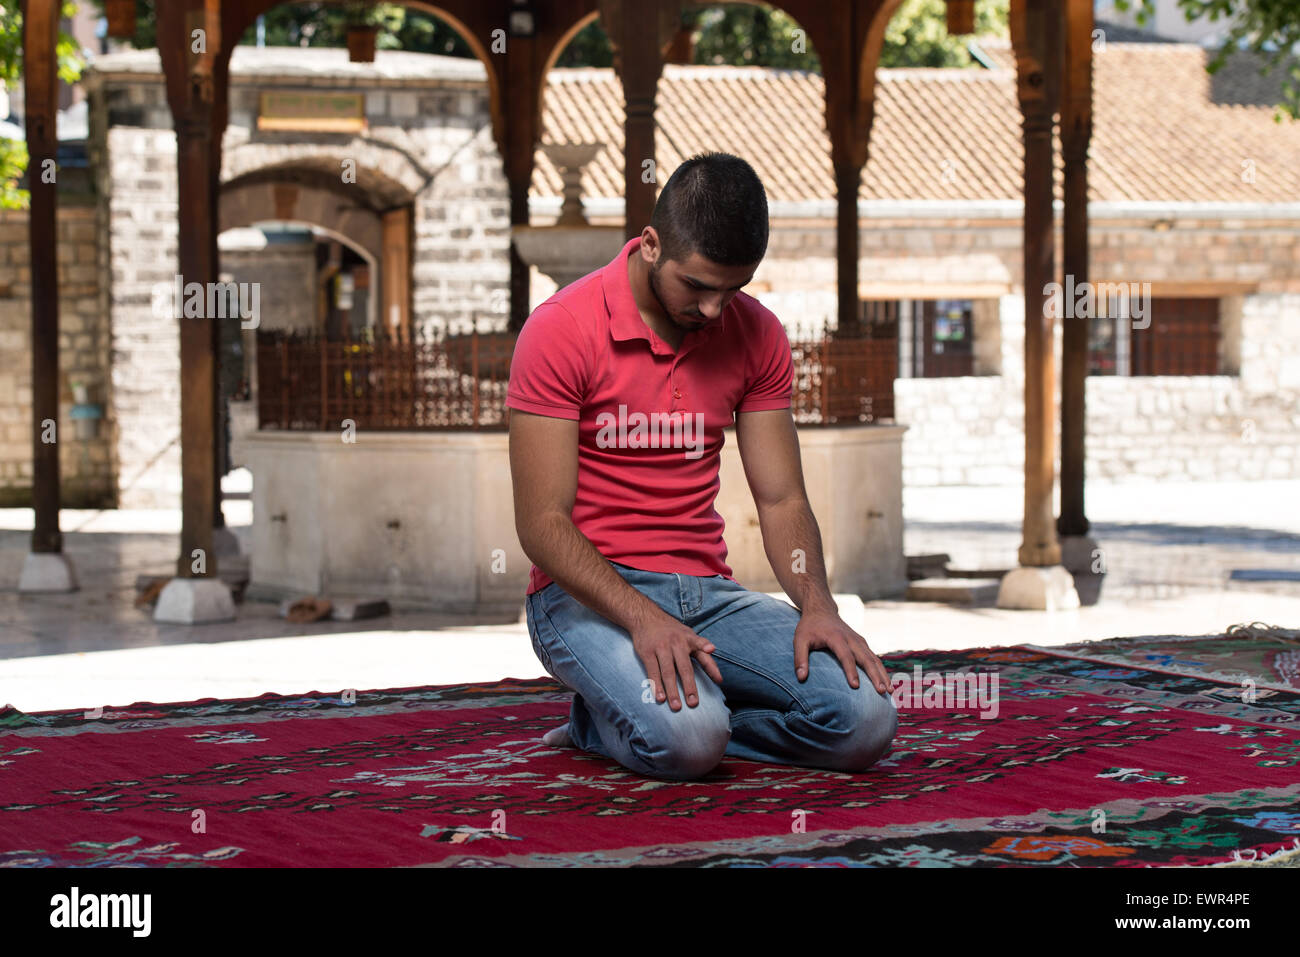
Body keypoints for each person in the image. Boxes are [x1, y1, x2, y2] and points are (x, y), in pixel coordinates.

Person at [506, 151, 898, 781]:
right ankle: (616, 721)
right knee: (688, 742)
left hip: (710, 595)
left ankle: (682, 716)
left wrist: (818, 605)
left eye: (733, 289)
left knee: (866, 721)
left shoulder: (757, 334)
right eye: (698, 286)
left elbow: (782, 501)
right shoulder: (561, 329)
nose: (716, 310)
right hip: (583, 599)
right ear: (652, 244)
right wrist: (643, 619)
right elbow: (541, 523)